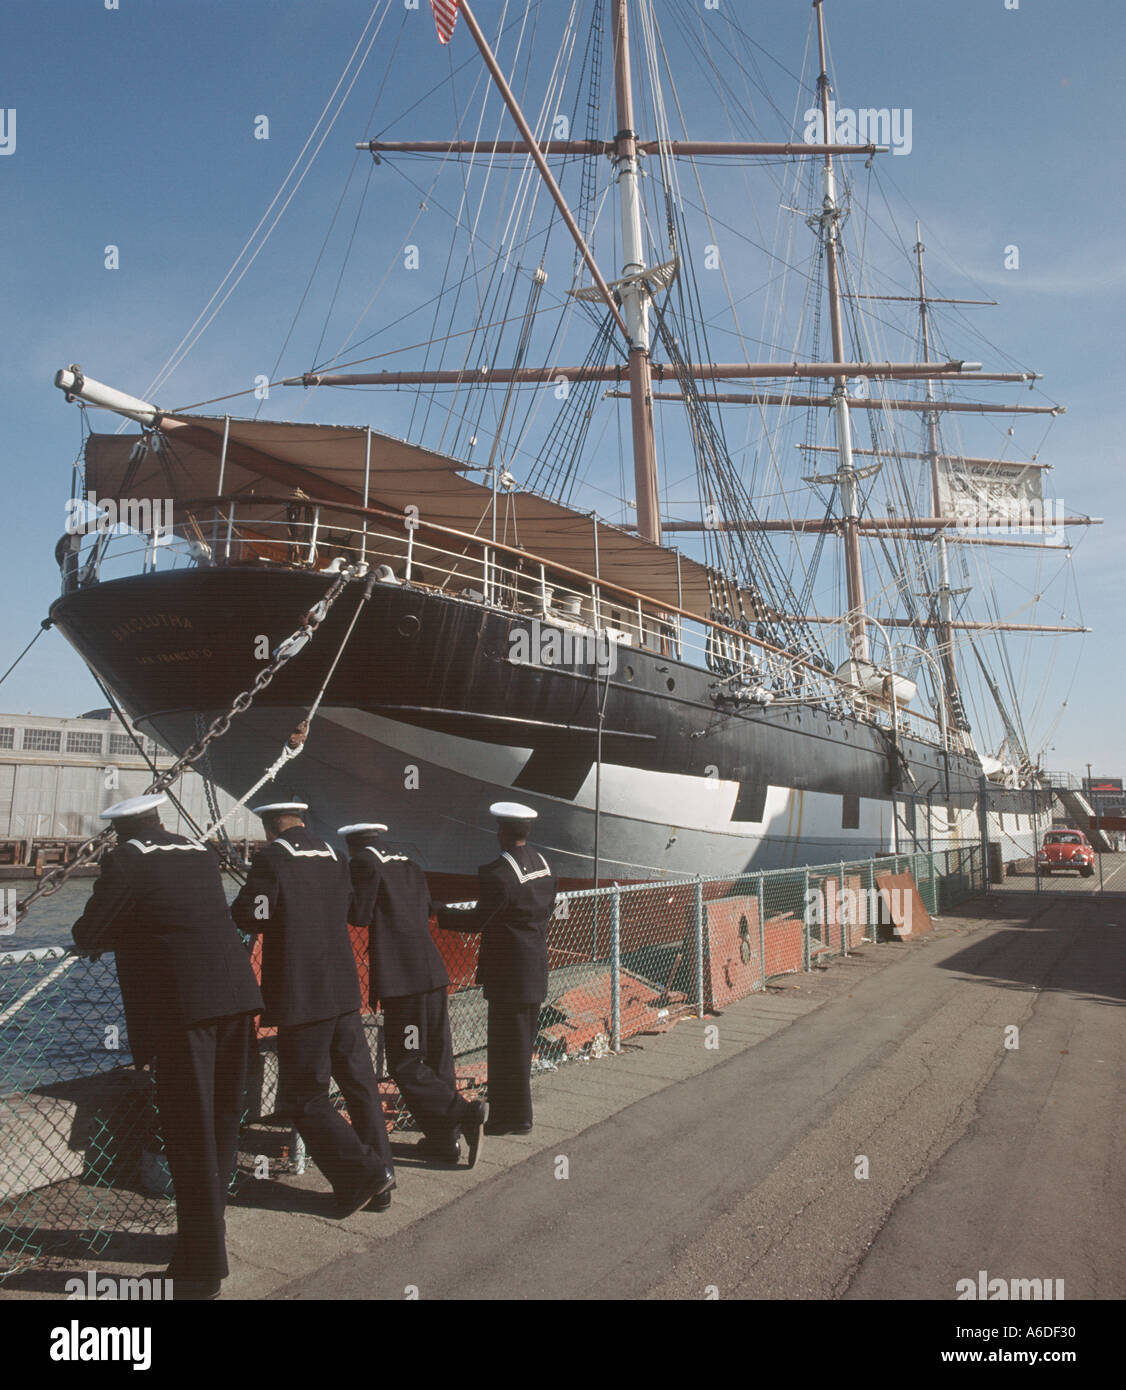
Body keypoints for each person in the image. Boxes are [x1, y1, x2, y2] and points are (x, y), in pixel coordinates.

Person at [71, 794, 263, 1301]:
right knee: (222, 1124)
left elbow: (91, 928)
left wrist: (108, 934)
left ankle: (201, 1269)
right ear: (160, 819)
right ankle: (206, 1242)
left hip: (187, 1011)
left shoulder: (128, 859)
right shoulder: (196, 852)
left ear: (120, 831)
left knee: (187, 1132)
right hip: (237, 998)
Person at [231, 802, 394, 1216]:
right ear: (302, 821)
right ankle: (383, 1179)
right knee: (360, 1084)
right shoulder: (335, 856)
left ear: (271, 828)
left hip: (303, 998)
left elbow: (253, 913)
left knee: (304, 1097)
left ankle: (365, 1174)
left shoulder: (272, 858)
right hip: (343, 990)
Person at [341, 823, 487, 1166]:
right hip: (432, 974)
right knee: (438, 1057)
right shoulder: (409, 862)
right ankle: (444, 1142)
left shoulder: (363, 863)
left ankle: (462, 1113)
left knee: (406, 1061)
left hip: (402, 981)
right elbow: (422, 909)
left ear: (352, 846)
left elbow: (359, 916)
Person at [436, 802, 555, 1135]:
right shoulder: (544, 864)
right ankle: (517, 1113)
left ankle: (511, 1118)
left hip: (508, 974)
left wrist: (441, 912)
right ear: (526, 832)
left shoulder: (497, 872)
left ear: (501, 832)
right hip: (535, 968)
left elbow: (477, 920)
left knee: (504, 1049)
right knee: (520, 1047)